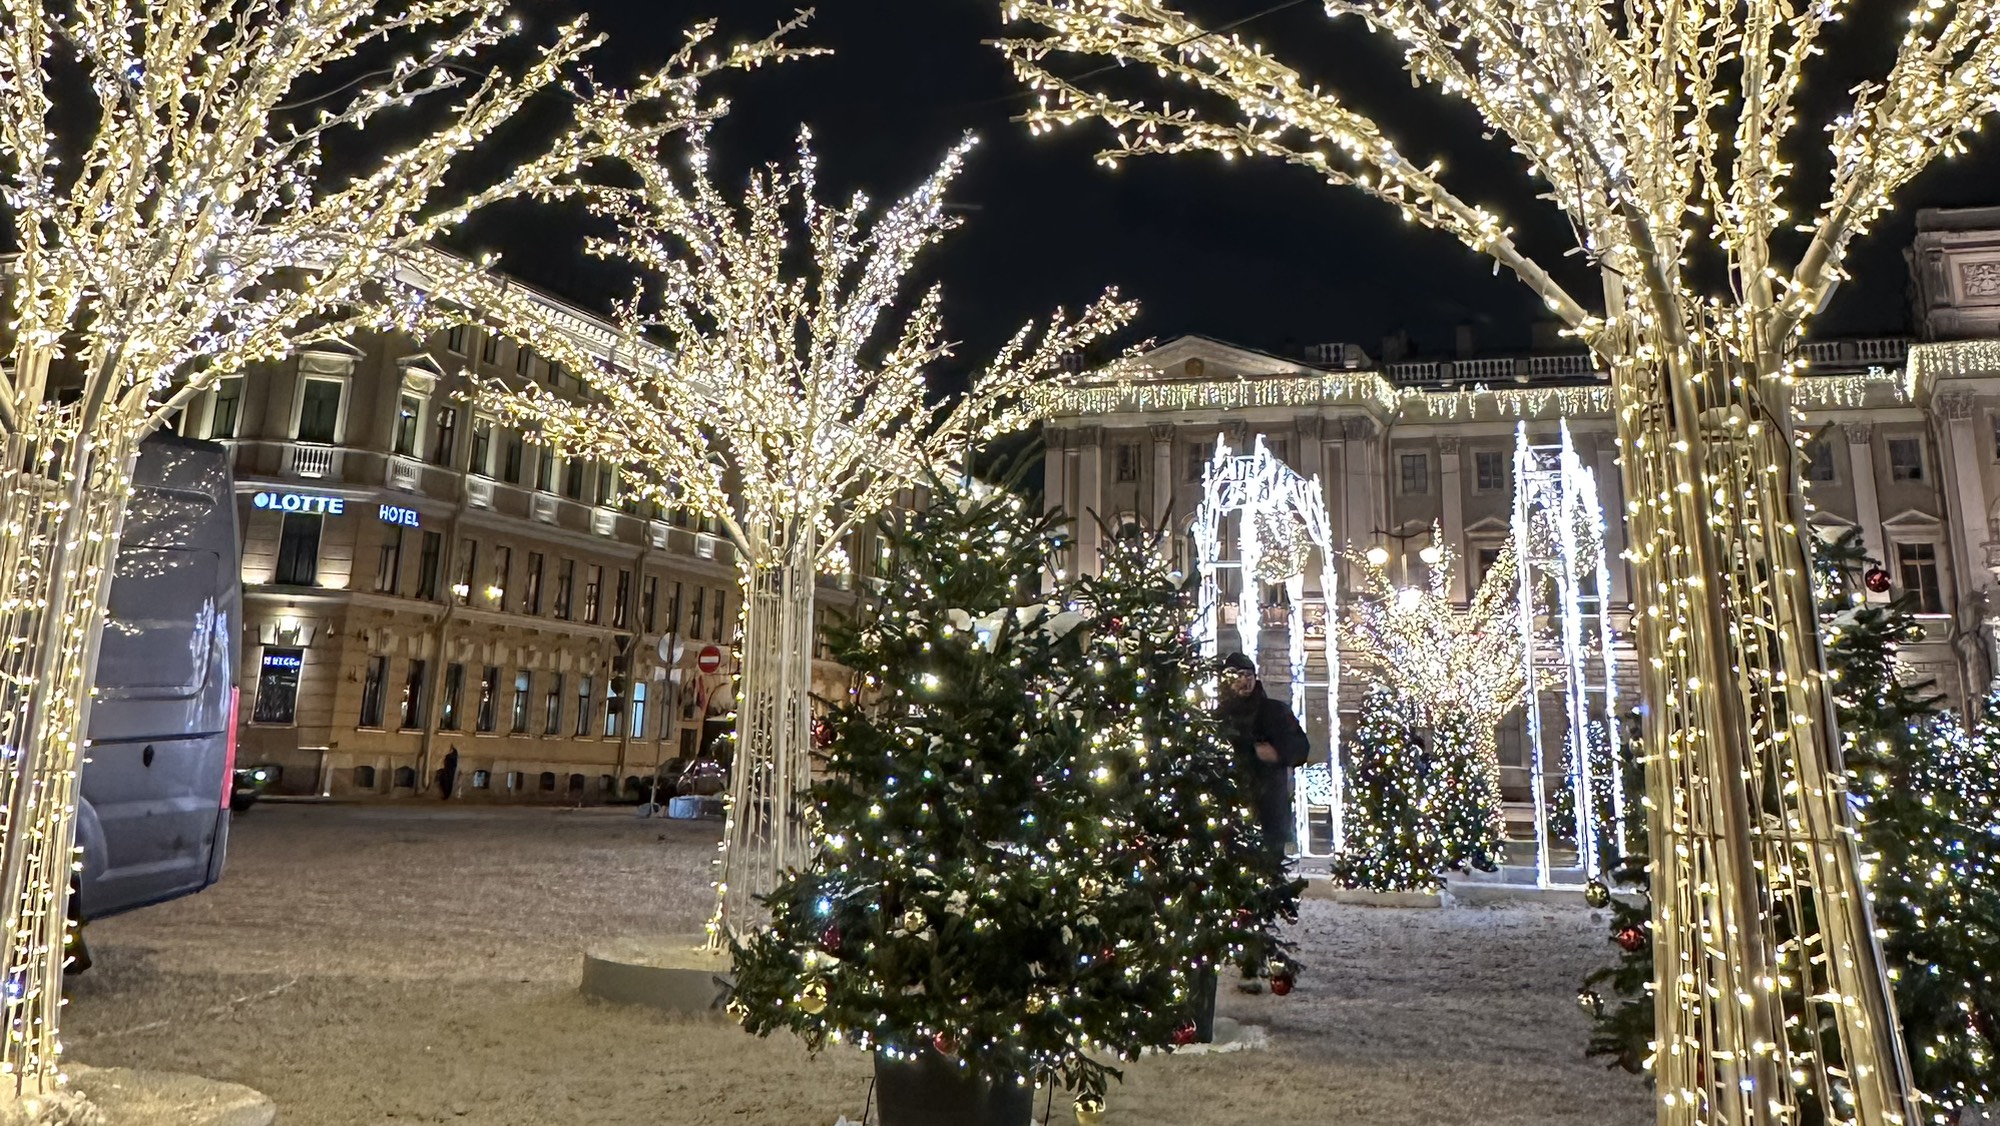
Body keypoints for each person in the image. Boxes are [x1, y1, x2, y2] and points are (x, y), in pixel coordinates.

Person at [1215, 651, 1311, 993]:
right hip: (1228, 819)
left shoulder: (1274, 712)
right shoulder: (1217, 719)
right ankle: (1235, 953)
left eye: (1248, 675)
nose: (1244, 682)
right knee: (1234, 890)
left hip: (1268, 813)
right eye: (1236, 676)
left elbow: (1301, 747)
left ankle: (1252, 960)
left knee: (1261, 891)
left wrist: (1278, 754)